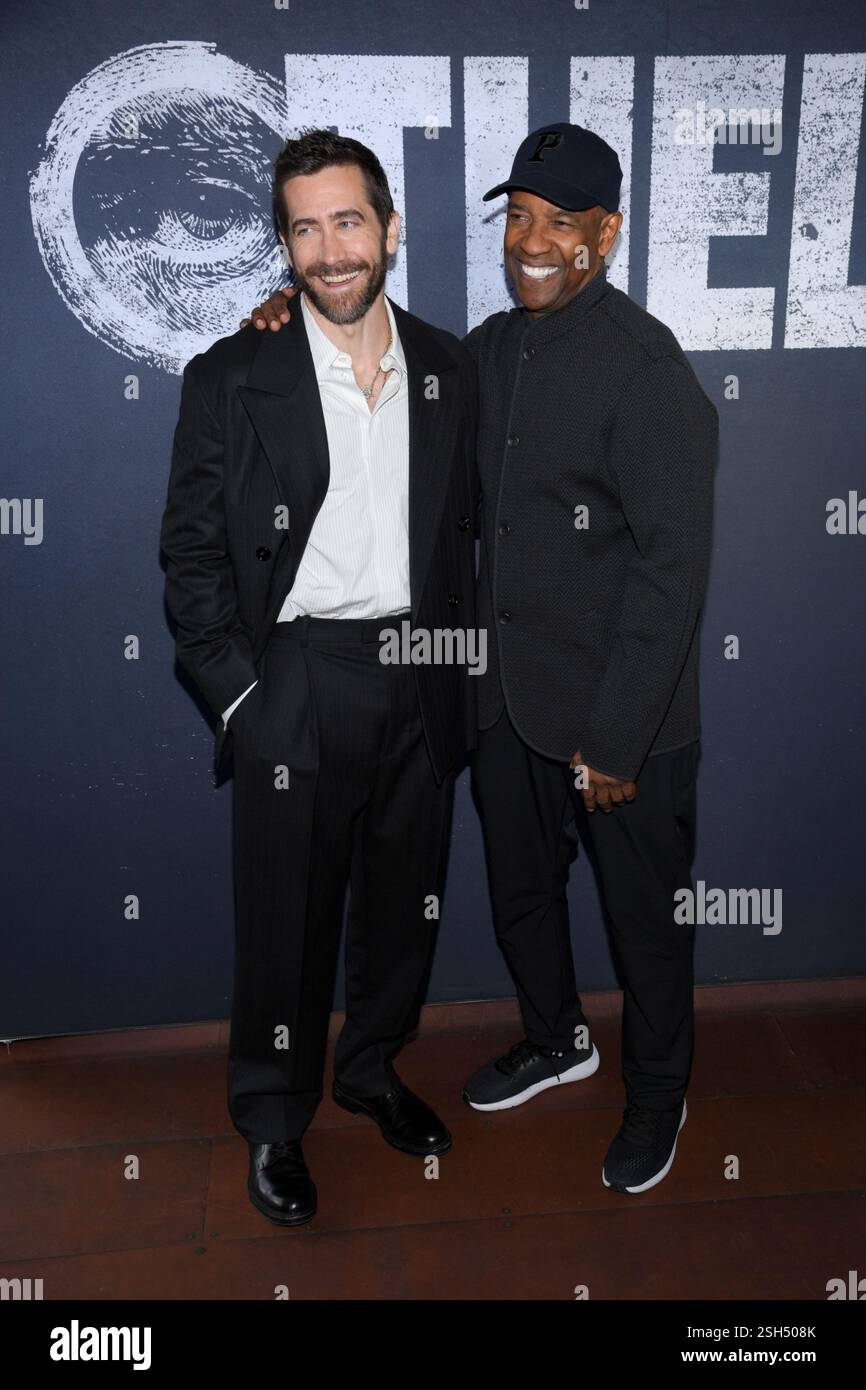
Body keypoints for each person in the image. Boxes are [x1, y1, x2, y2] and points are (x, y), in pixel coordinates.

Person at [243, 121, 718, 1195]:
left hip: (623, 720)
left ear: (607, 232)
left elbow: (670, 575)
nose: (534, 241)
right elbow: (367, 359)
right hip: (504, 702)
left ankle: (658, 1093)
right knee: (521, 895)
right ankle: (556, 1039)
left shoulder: (648, 372)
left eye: (562, 221)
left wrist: (616, 739)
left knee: (645, 924)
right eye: (519, 218)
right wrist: (284, 313)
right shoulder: (486, 351)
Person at [160, 129, 479, 1227]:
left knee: (403, 906)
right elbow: (191, 556)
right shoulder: (232, 374)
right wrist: (244, 700)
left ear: (390, 229)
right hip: (296, 674)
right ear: (285, 247)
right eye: (305, 229)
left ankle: (373, 1069)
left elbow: (470, 533)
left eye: (348, 221)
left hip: (421, 669)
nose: (330, 250)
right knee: (284, 923)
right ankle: (273, 1119)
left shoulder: (447, 367)